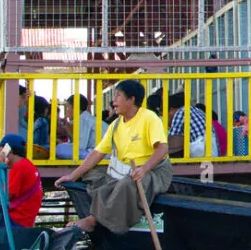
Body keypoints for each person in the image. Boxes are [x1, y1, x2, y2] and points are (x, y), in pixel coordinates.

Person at [60, 79, 172, 234]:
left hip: (153, 170)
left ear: (131, 99)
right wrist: (72, 176)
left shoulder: (149, 118)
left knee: (127, 184)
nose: (113, 101)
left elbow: (162, 148)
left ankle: (93, 221)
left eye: (118, 95)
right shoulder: (115, 125)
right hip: (127, 170)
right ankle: (104, 216)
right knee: (92, 175)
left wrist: (144, 169)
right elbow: (97, 153)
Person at [56, 94, 98, 162]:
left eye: (68, 107)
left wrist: (63, 143)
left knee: (60, 149)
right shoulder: (84, 119)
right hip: (96, 151)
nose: (66, 111)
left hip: (99, 154)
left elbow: (80, 147)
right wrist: (67, 128)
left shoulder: (83, 120)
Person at [166, 92, 207, 157]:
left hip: (201, 153)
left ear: (171, 110)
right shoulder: (198, 110)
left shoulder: (181, 112)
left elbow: (172, 141)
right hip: (211, 151)